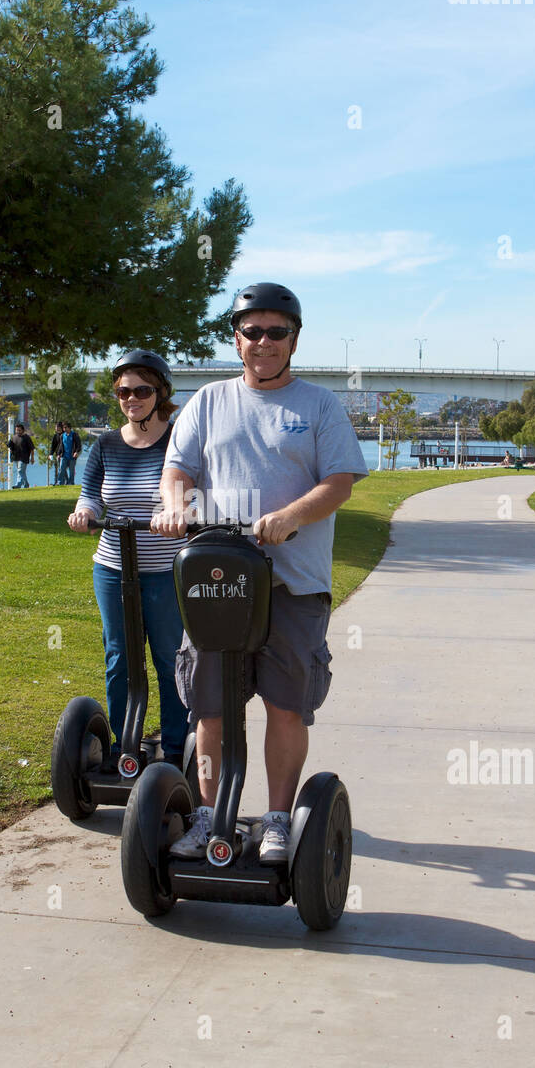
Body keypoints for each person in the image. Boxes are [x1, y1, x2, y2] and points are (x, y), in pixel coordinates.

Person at [152, 281, 369, 863]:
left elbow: (340, 482)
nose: (264, 342)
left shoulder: (320, 405)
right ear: (236, 338)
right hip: (219, 581)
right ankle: (207, 815)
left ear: (294, 340)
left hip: (292, 581)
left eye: (277, 332)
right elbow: (178, 469)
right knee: (210, 708)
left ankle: (276, 818)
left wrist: (292, 517)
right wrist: (176, 504)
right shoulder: (207, 401)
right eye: (253, 331)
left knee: (285, 704)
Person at [68, 351, 190, 769]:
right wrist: (85, 511)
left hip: (163, 570)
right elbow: (90, 492)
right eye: (123, 391)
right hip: (113, 568)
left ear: (161, 393)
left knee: (169, 656)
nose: (131, 398)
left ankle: (176, 746)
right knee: (119, 656)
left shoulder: (179, 442)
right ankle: (126, 745)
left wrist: (178, 513)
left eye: (141, 390)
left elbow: (193, 496)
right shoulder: (105, 444)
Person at [8, 423, 35, 488]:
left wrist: (32, 458)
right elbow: (10, 446)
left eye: (19, 430)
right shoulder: (14, 437)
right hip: (16, 457)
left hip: (24, 457)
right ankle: (26, 484)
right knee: (21, 472)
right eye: (17, 430)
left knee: (20, 471)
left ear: (23, 430)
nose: (18, 432)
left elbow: (32, 448)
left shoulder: (27, 437)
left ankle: (18, 485)